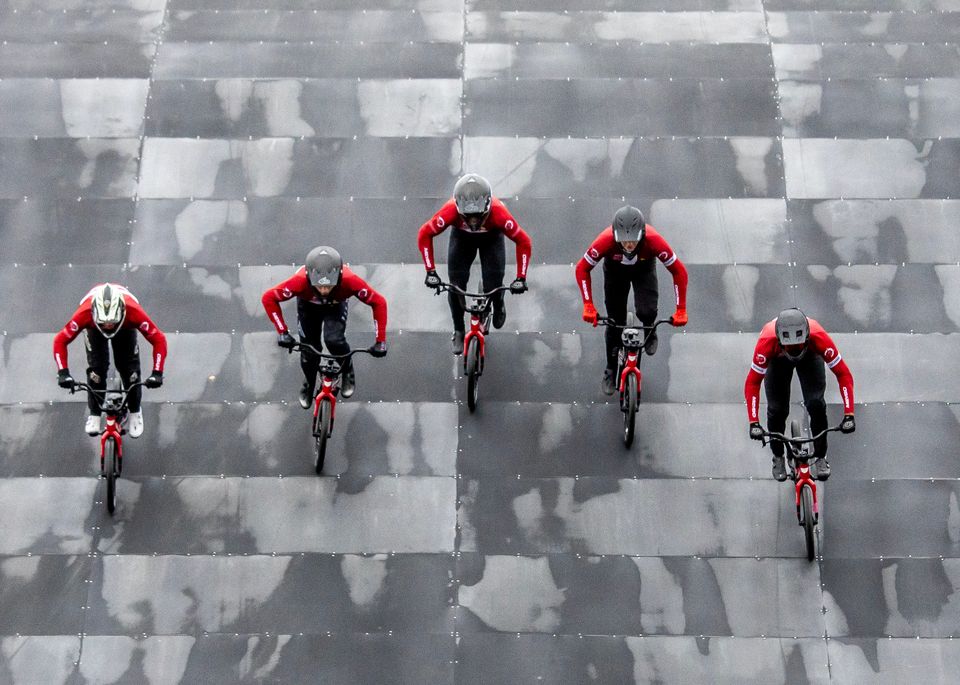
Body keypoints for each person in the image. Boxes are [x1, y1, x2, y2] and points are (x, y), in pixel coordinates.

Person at [575, 205, 688, 394]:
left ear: (642, 235)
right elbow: (582, 268)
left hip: (644, 269)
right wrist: (588, 305)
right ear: (615, 236)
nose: (628, 246)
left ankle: (650, 329)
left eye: (633, 242)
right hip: (614, 271)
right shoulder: (606, 240)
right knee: (614, 322)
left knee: (647, 310)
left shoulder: (653, 240)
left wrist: (681, 309)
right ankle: (611, 368)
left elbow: (679, 271)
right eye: (624, 241)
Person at [418, 173, 532, 354]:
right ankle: (458, 329)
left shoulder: (499, 213)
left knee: (493, 284)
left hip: (491, 239)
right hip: (462, 240)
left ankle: (498, 301)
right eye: (467, 217)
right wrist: (430, 271)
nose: (473, 222)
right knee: (455, 286)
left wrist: (521, 277)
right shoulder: (450, 211)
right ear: (458, 209)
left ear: (487, 208)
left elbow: (524, 241)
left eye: (478, 217)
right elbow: (424, 234)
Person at [262, 246, 387, 408]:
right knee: (309, 350)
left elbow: (379, 302)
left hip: (336, 306)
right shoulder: (299, 282)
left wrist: (380, 341)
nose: (324, 290)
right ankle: (309, 380)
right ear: (309, 278)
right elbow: (268, 298)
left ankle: (347, 366)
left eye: (329, 286)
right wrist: (282, 332)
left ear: (339, 277)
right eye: (319, 286)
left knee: (334, 340)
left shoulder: (350, 281)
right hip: (308, 306)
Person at [745, 308, 856, 481]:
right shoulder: (767, 342)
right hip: (777, 360)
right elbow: (752, 382)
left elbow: (843, 374)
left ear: (806, 337)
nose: (794, 352)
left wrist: (849, 414)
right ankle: (778, 456)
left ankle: (820, 457)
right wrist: (754, 422)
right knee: (777, 409)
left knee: (816, 404)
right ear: (781, 342)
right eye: (790, 349)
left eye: (797, 348)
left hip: (810, 356)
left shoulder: (818, 336)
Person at [53, 283, 166, 438]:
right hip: (93, 328)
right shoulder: (85, 314)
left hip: (125, 327)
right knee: (97, 369)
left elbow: (158, 339)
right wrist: (63, 372)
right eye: (104, 323)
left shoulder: (133, 312)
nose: (107, 326)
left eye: (111, 323)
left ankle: (135, 411)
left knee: (129, 369)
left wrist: (157, 372)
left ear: (121, 312)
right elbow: (60, 341)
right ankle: (94, 413)